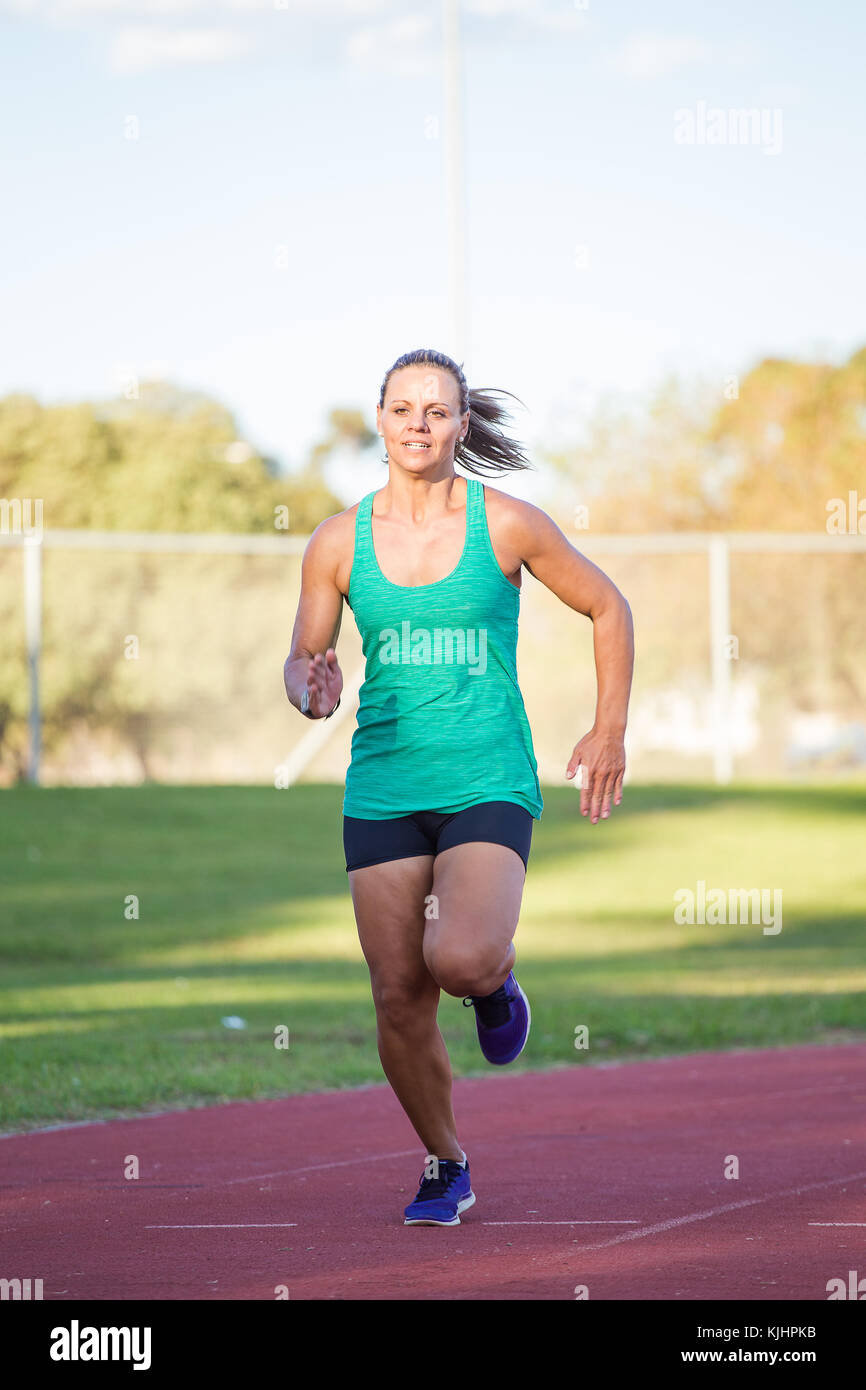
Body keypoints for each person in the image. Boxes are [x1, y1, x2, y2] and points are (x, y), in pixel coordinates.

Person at [283, 348, 634, 1226]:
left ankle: (498, 984)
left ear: (461, 424)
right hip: (384, 786)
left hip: (487, 779)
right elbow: (305, 659)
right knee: (398, 995)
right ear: (380, 418)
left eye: (436, 411)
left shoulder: (507, 524)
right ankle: (447, 1162)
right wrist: (308, 689)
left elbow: (607, 606)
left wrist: (609, 728)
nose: (417, 424)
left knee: (459, 959)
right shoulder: (338, 540)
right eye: (403, 408)